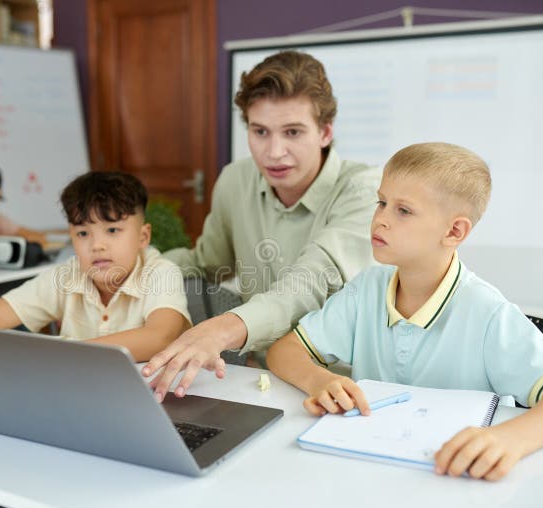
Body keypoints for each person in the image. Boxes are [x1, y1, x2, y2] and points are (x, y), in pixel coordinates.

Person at [266, 142, 543, 480]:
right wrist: (320, 379)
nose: (380, 219)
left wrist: (509, 439)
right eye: (381, 202)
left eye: (403, 211)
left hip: (454, 479)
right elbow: (284, 351)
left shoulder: (487, 312)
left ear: (454, 231)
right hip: (372, 470)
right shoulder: (366, 289)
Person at [143, 50, 381, 401]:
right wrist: (135, 266)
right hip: (257, 379)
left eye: (293, 132)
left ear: (325, 132)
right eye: (260, 131)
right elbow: (207, 260)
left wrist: (224, 329)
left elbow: (309, 284)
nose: (274, 152)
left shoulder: (365, 190)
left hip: (339, 385)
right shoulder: (236, 179)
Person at [0, 170, 192, 508]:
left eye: (113, 230)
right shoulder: (67, 275)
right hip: (72, 411)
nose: (96, 245)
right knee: (3, 468)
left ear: (142, 236)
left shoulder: (161, 272)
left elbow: (160, 336)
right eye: (83, 233)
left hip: (148, 418)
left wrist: (69, 355)